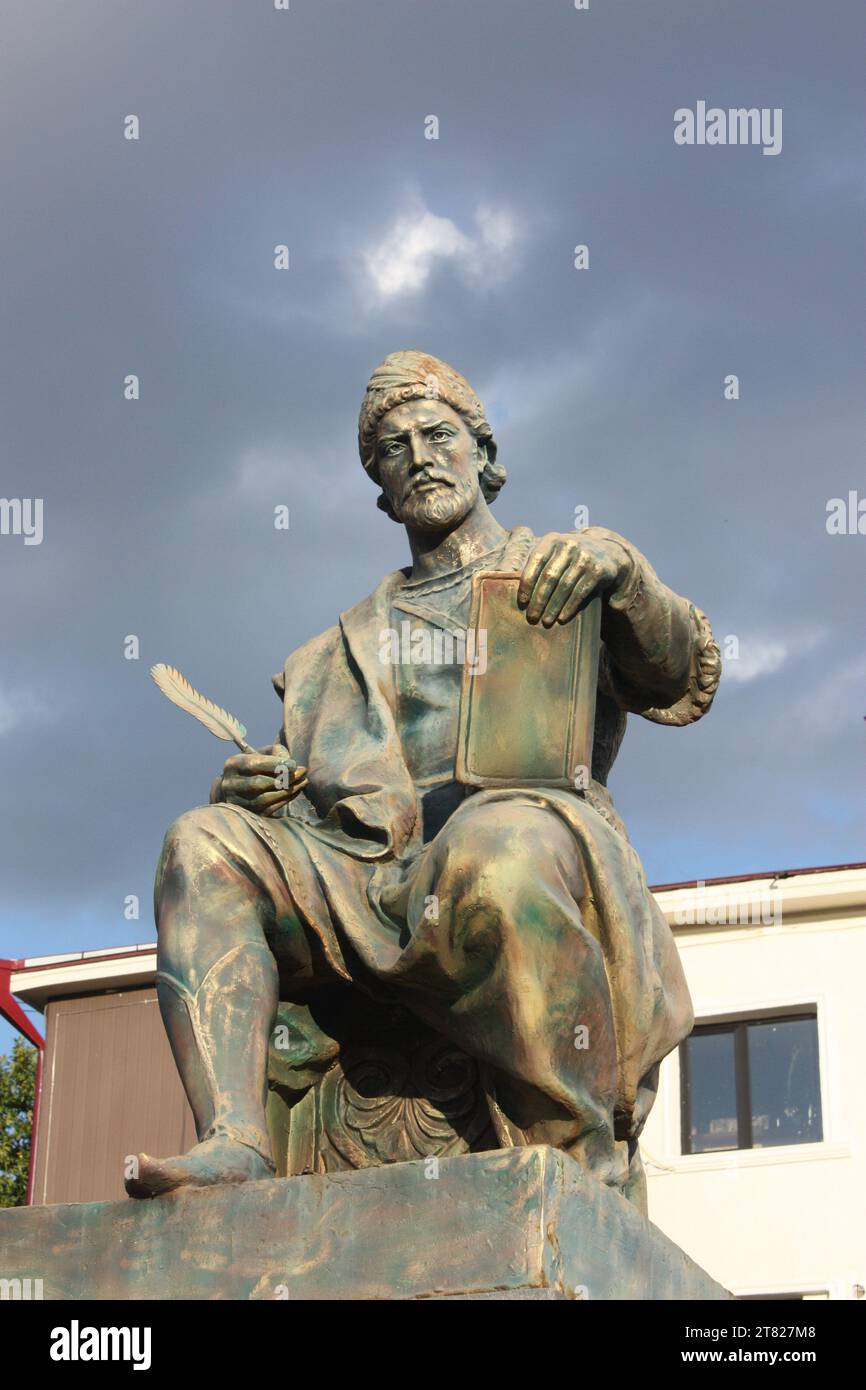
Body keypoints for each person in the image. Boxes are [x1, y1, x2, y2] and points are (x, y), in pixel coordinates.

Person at [127, 350, 720, 1208]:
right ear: (380, 488)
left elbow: (679, 676)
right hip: (371, 872)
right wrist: (259, 798)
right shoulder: (333, 651)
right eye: (393, 447)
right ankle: (236, 1140)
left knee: (496, 847)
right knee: (202, 842)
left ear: (484, 455)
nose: (419, 454)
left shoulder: (564, 574)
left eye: (438, 433)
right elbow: (316, 803)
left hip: (521, 834)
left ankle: (570, 1167)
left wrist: (622, 569)